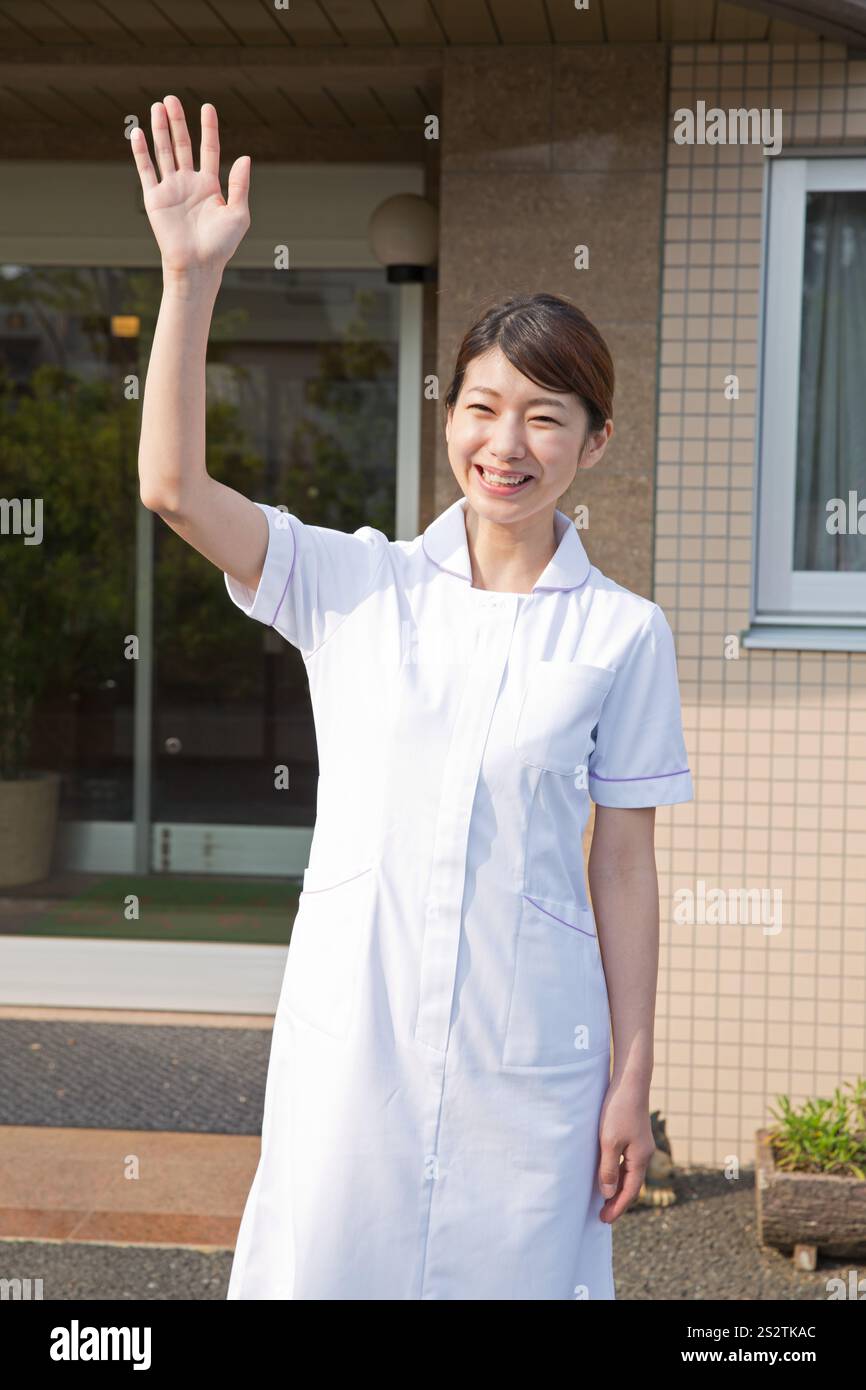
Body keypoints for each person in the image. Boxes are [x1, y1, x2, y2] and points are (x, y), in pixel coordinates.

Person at [131, 97, 694, 1301]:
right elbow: (175, 485)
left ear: (593, 444)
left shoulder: (621, 634)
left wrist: (628, 1078)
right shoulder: (355, 582)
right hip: (354, 1059)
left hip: (529, 1068)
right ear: (448, 419)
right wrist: (188, 275)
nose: (509, 442)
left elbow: (625, 868)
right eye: (484, 407)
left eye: (548, 416)